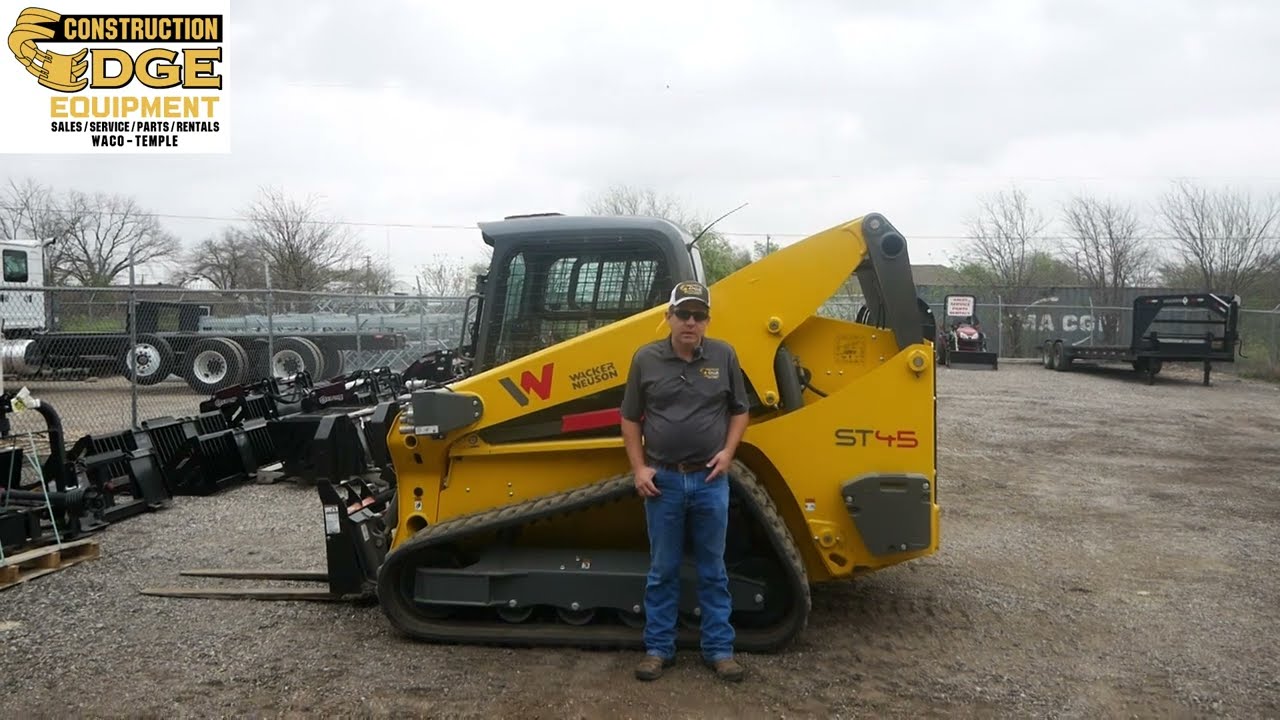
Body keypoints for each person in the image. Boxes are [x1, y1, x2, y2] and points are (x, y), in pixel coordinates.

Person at [619, 279, 750, 683]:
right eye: (683, 314)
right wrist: (639, 468)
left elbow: (740, 410)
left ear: (707, 321)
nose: (690, 322)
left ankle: (719, 651)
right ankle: (658, 649)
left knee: (713, 569)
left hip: (709, 481)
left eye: (698, 315)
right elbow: (629, 418)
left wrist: (728, 453)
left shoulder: (724, 356)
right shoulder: (646, 359)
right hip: (664, 482)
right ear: (668, 318)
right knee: (663, 569)